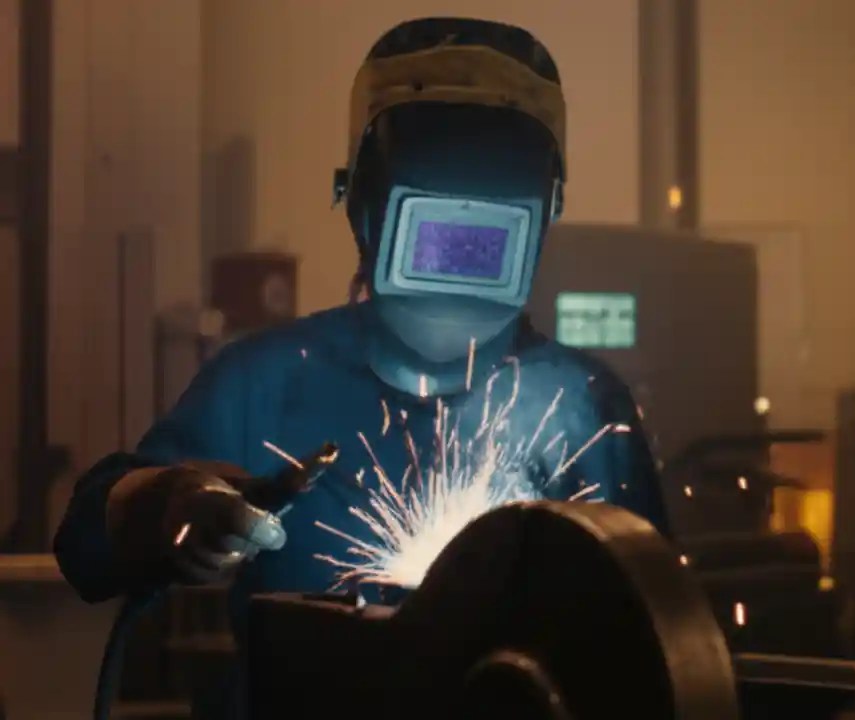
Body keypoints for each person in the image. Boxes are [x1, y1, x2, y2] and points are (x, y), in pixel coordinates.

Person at [53, 13, 667, 693]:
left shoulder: (581, 408)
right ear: (365, 212)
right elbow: (83, 545)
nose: (451, 286)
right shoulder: (268, 383)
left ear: (541, 219)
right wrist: (161, 504)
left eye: (482, 247)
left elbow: (653, 630)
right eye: (430, 241)